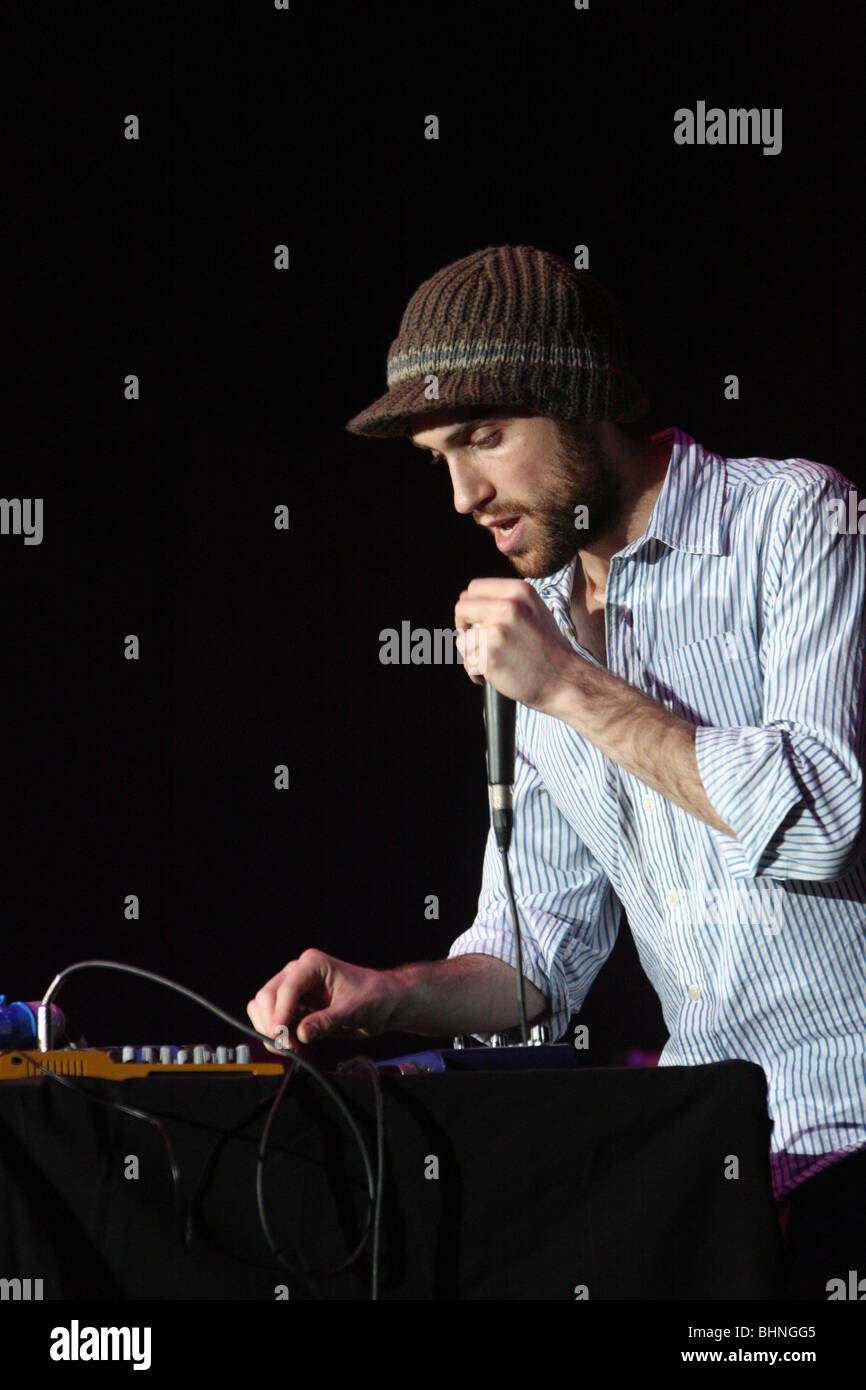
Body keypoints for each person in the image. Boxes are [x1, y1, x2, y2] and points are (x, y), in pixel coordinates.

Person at [247, 245, 866, 1298]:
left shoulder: (795, 522)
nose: (461, 493)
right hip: (716, 1169)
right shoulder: (541, 640)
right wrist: (382, 995)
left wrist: (569, 687)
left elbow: (818, 822)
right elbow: (534, 971)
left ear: (583, 399)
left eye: (484, 437)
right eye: (439, 455)